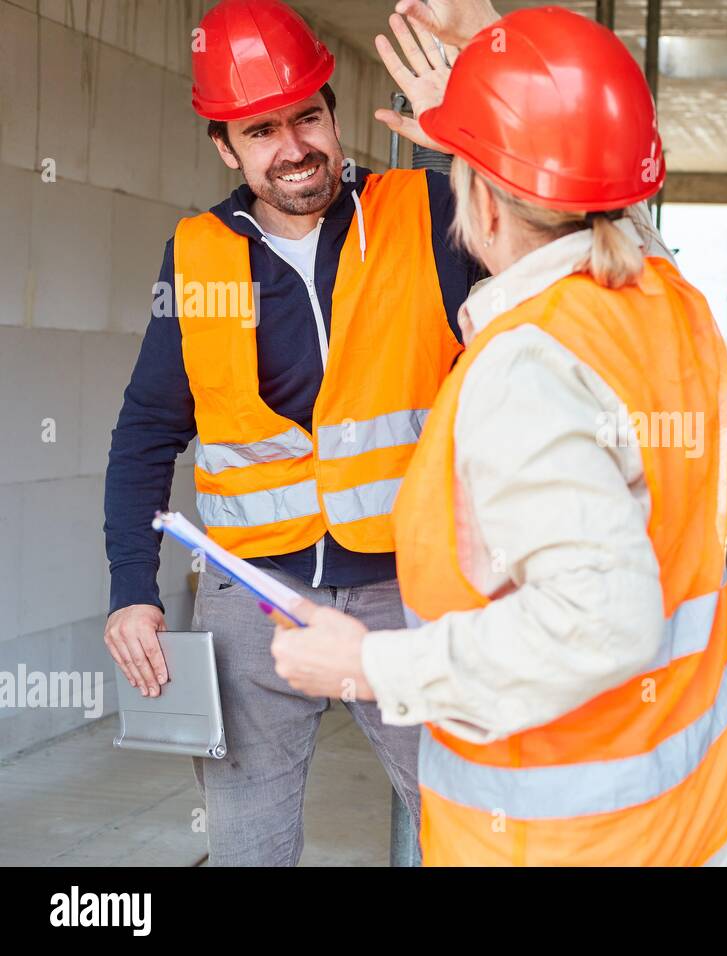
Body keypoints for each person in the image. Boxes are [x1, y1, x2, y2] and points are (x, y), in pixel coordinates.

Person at [270, 2, 727, 866]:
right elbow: (602, 196)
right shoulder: (672, 303)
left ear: (485, 204)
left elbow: (604, 621)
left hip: (563, 840)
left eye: (462, 168)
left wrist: (373, 667)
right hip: (689, 816)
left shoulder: (529, 364)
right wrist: (510, 77)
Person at [102, 0, 495, 866]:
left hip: (409, 594)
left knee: (478, 828)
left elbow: (556, 230)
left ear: (334, 110)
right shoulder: (197, 256)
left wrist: (474, 131)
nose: (294, 147)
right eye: (261, 129)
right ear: (225, 146)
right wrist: (134, 586)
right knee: (249, 851)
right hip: (253, 600)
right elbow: (146, 432)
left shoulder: (427, 211)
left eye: (308, 116)